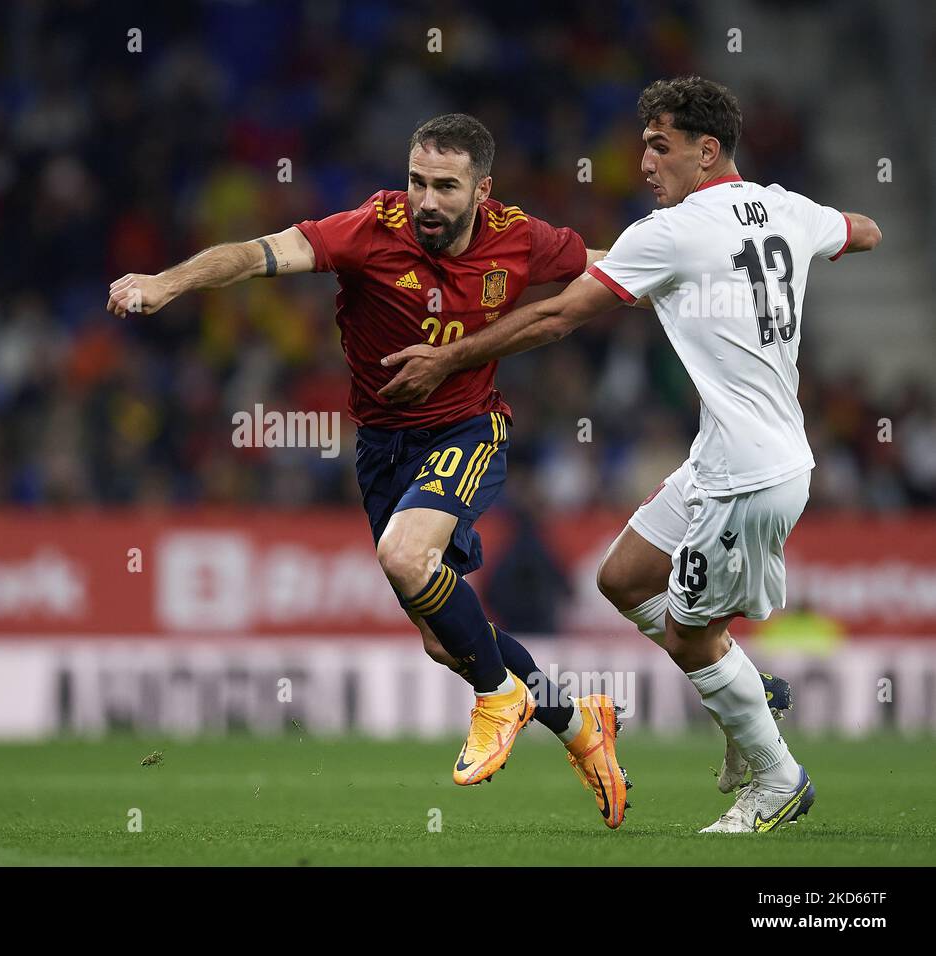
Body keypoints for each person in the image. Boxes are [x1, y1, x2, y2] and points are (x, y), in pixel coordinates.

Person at [378, 76, 880, 832]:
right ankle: (745, 695)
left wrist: (451, 359)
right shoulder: (787, 207)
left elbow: (553, 318)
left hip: (750, 474)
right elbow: (865, 230)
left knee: (691, 637)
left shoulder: (669, 231)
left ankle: (777, 778)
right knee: (624, 577)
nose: (643, 162)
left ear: (705, 152)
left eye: (660, 146)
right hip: (727, 455)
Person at [108, 113, 630, 827]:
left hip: (469, 427)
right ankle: (577, 723)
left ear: (483, 190)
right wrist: (169, 282)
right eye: (417, 181)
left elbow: (609, 265)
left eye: (446, 186)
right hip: (382, 447)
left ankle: (501, 698)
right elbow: (257, 252)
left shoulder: (521, 238)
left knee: (403, 555)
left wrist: (694, 272)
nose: (426, 200)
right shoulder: (368, 230)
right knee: (445, 639)